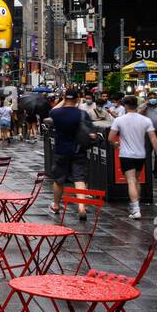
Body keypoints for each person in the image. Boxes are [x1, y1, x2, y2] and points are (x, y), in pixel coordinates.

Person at [109, 95, 157, 220]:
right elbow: (153, 138)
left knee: (131, 181)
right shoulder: (145, 120)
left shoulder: (119, 120)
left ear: (125, 106)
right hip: (140, 155)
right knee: (136, 180)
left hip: (126, 155)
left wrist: (115, 144)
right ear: (136, 105)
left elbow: (110, 137)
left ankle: (136, 209)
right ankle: (134, 205)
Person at [47, 87, 96, 217]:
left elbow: (52, 111)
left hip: (61, 150)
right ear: (77, 99)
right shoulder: (82, 114)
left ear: (64, 98)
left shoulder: (56, 113)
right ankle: (81, 207)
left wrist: (63, 101)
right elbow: (90, 131)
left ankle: (56, 205)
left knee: (59, 180)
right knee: (79, 179)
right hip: (78, 150)